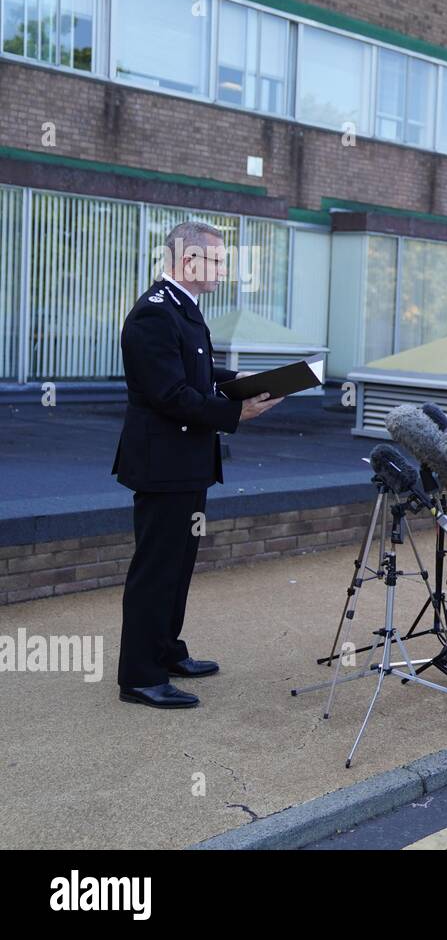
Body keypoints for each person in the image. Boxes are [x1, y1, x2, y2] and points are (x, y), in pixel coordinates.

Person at [114, 221, 282, 709]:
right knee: (156, 569)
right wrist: (236, 411)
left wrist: (240, 381)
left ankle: (166, 652)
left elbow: (196, 372)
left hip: (187, 463)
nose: (224, 271)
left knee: (179, 565)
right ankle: (140, 676)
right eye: (217, 261)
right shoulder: (153, 315)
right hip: (163, 465)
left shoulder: (183, 310)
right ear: (188, 262)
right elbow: (169, 394)